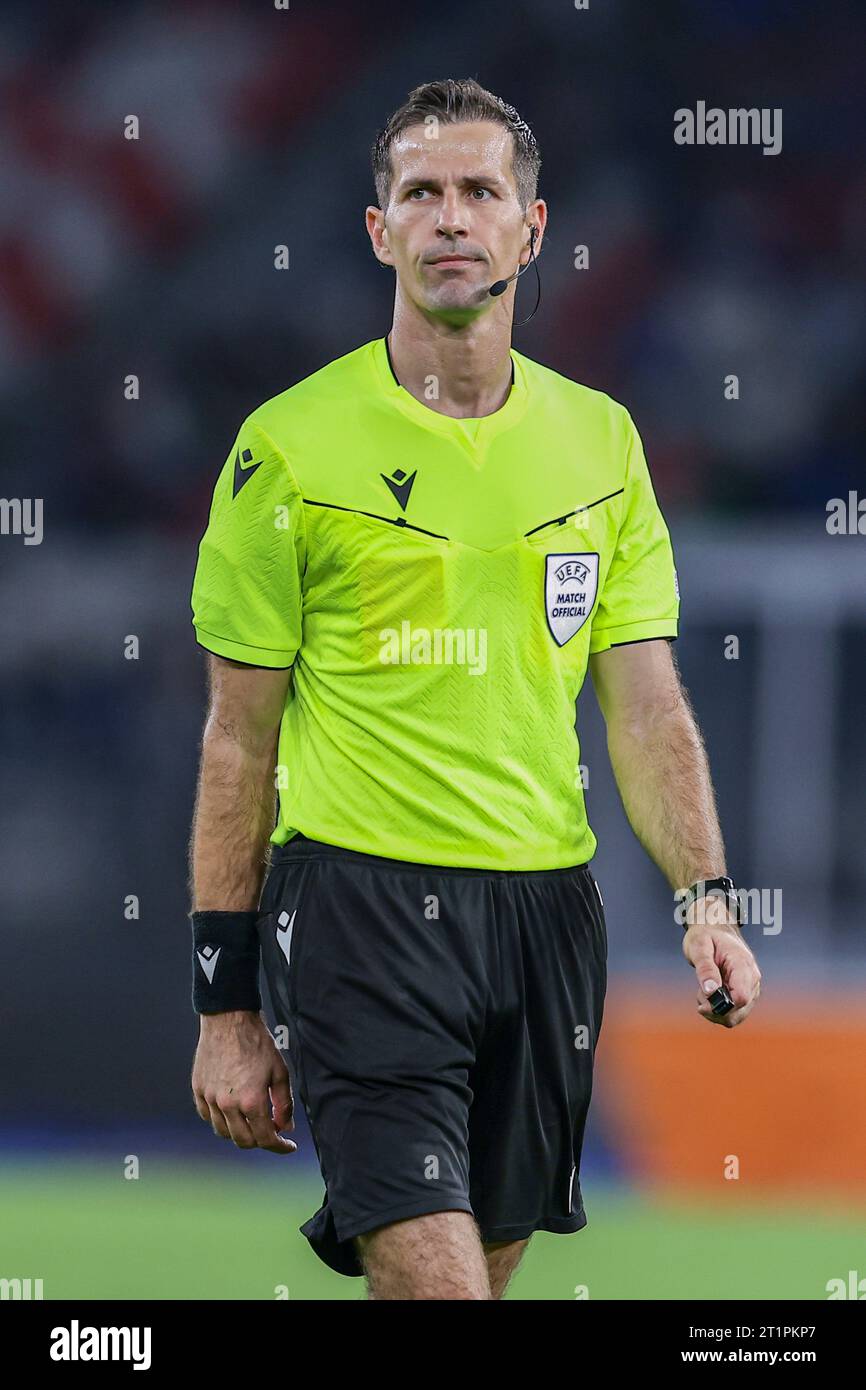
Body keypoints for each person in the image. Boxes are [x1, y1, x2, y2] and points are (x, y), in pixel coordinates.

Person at [188, 77, 761, 1301]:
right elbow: (238, 742)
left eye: (478, 192)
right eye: (420, 193)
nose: (450, 217)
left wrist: (705, 898)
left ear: (530, 226)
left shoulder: (600, 442)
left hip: (545, 918)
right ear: (378, 230)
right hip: (357, 909)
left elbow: (646, 703)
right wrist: (224, 1004)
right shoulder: (285, 446)